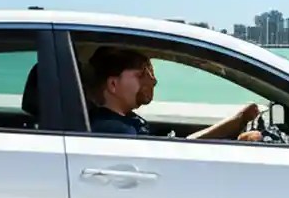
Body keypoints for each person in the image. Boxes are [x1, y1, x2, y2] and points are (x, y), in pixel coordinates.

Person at [87, 46, 262, 140]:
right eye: (141, 75)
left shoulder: (125, 121)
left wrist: (238, 122)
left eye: (151, 73)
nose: (153, 81)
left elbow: (178, 148)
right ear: (113, 84)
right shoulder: (114, 131)